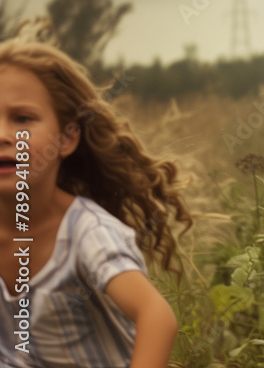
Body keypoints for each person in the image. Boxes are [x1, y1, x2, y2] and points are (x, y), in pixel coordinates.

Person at [0, 40, 191, 367]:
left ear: (67, 138)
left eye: (22, 119)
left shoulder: (88, 232)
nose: (3, 134)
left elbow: (156, 317)